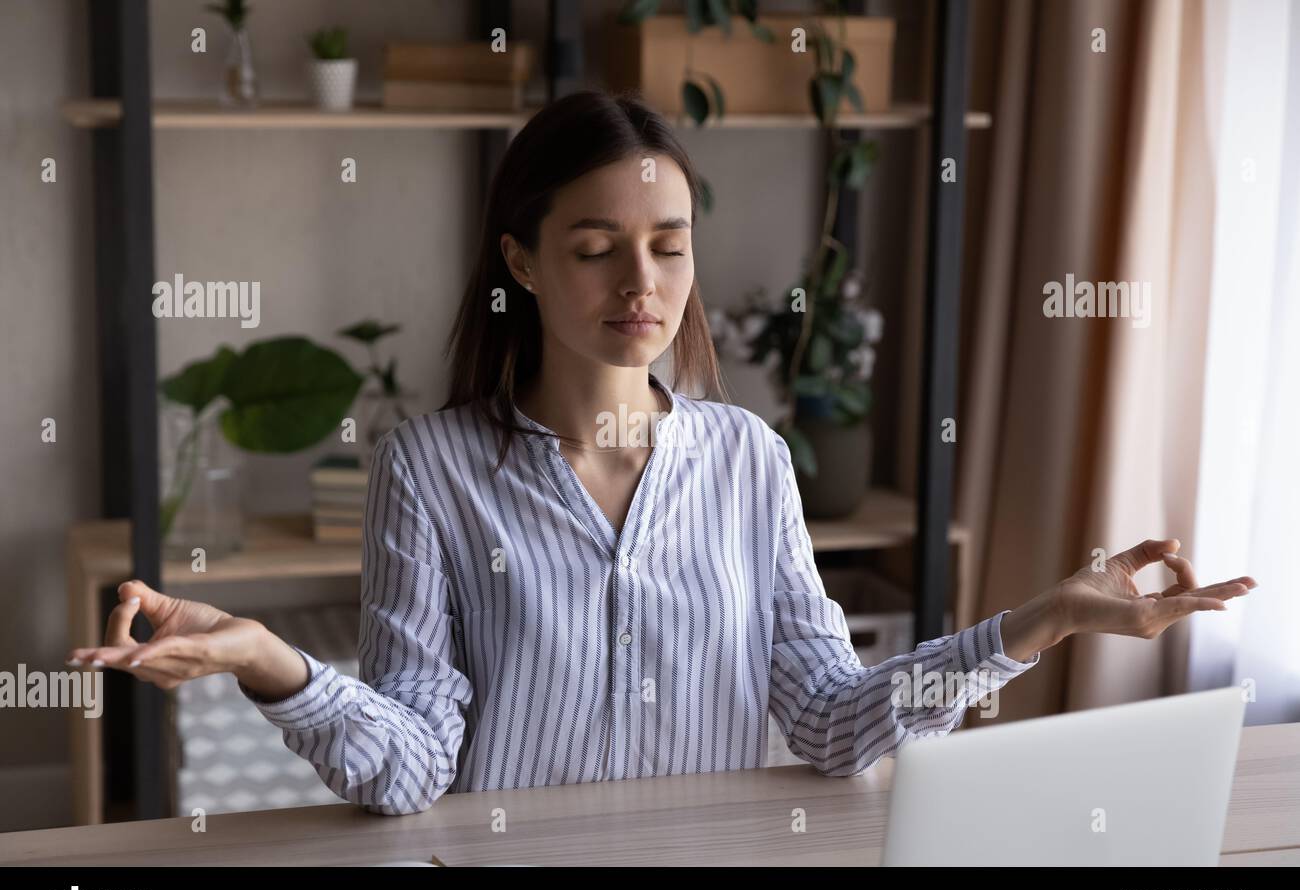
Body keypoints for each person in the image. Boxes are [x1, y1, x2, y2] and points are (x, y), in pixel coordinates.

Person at [71, 91, 1256, 815]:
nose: (641, 282)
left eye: (668, 246)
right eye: (595, 246)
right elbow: (413, 766)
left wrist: (1039, 619)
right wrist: (273, 658)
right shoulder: (427, 469)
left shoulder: (750, 461)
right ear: (523, 262)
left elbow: (834, 722)